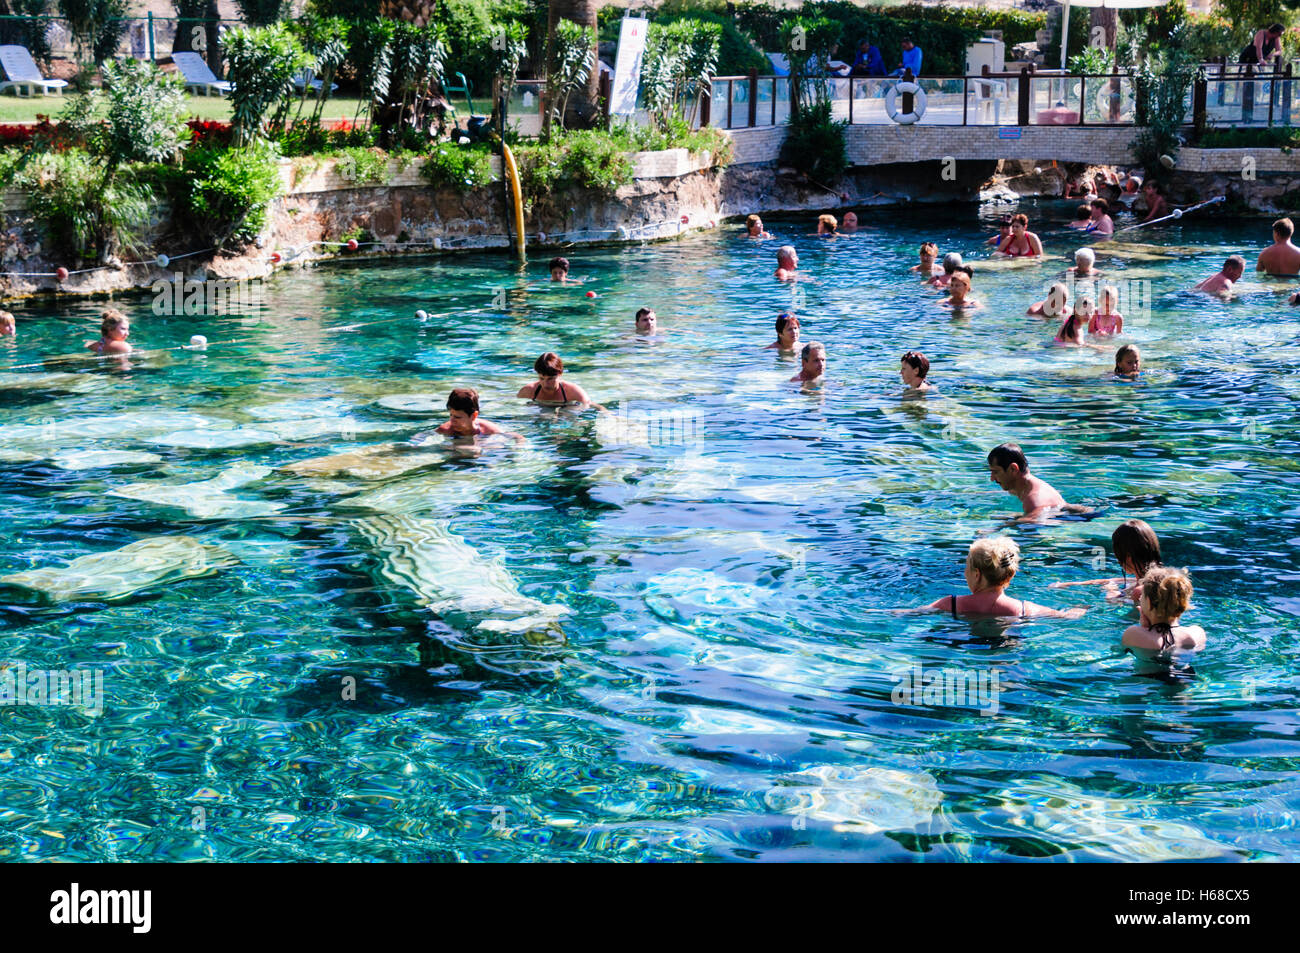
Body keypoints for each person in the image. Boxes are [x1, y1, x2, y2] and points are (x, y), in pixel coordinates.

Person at [917, 537, 1085, 620]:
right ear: (1010, 575)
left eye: (966, 567)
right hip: (1007, 645)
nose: (964, 572)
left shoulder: (950, 604)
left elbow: (911, 614)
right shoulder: (1024, 609)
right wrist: (1082, 607)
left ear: (977, 574)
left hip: (964, 643)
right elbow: (1067, 617)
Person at [1050, 518, 1163, 605]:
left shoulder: (1140, 592)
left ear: (1128, 557)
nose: (1119, 562)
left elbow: (1128, 616)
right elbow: (1113, 580)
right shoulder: (1160, 578)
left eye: (1119, 556)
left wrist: (1112, 593)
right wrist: (1073, 584)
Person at [1121, 566, 1206, 666]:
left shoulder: (1133, 633)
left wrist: (1143, 629)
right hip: (1186, 679)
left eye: (1142, 596)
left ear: (1148, 602)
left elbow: (1119, 653)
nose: (1140, 599)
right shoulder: (1196, 634)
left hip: (1146, 680)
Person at [986, 442, 1071, 521]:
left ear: (1013, 469)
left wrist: (995, 529)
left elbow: (1033, 526)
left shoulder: (1034, 500)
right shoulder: (1020, 487)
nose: (992, 478)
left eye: (996, 472)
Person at [435, 387, 522, 442]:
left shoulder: (488, 429)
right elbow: (423, 436)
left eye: (457, 417)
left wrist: (518, 449)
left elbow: (517, 437)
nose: (452, 420)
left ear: (474, 416)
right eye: (451, 415)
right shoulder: (445, 429)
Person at [517, 352, 596, 407]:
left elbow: (590, 405)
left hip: (566, 410)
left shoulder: (573, 391)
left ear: (560, 374)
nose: (545, 384)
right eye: (541, 378)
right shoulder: (528, 391)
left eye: (550, 379)